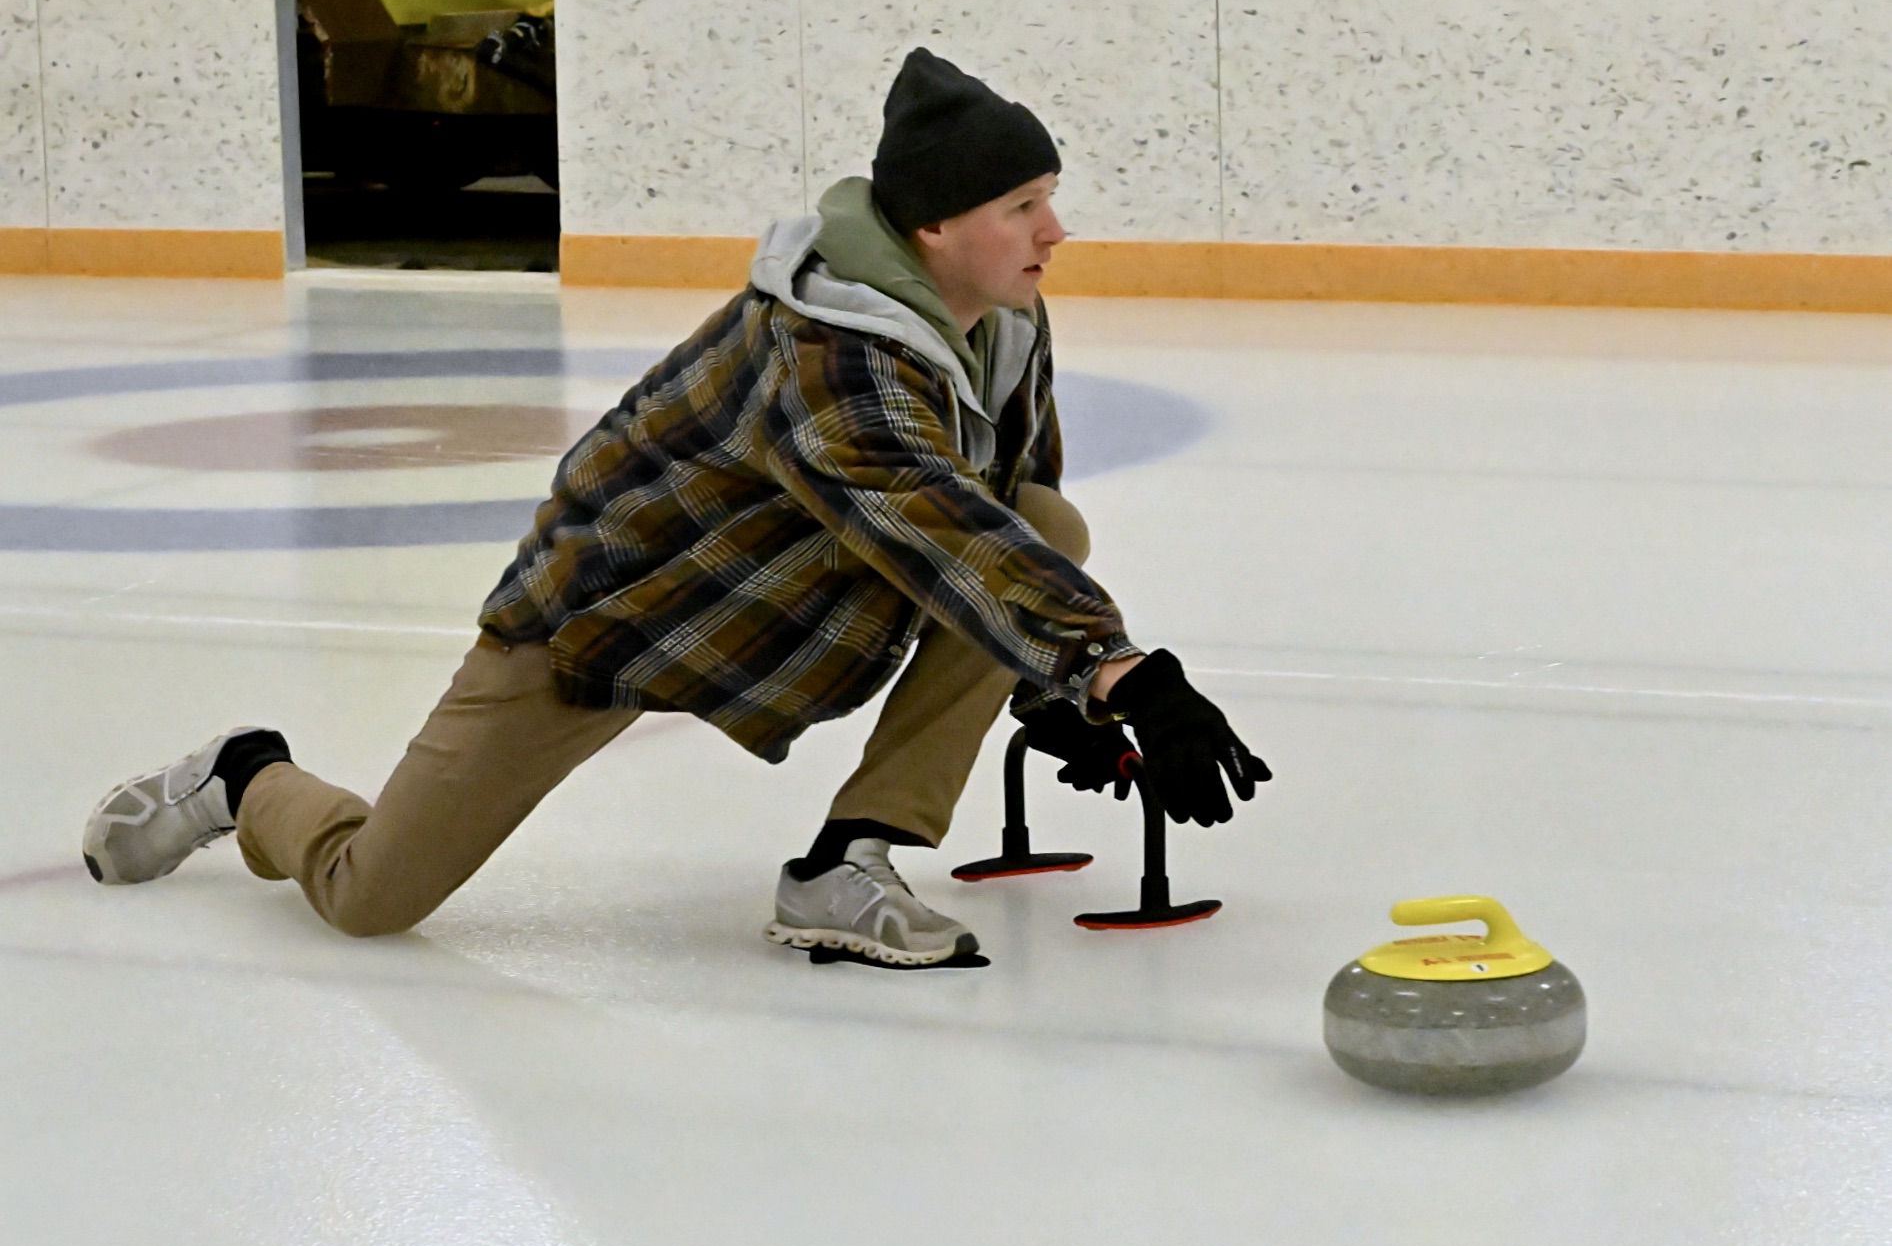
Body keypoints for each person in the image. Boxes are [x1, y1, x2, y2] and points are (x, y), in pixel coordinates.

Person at [80, 49, 1269, 969]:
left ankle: (848, 860)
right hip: (604, 619)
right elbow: (925, 514)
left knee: (1043, 525)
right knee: (371, 896)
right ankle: (243, 777)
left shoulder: (1002, 314)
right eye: (1021, 205)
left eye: (1049, 197)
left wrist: (1052, 681)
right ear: (933, 226)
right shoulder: (826, 350)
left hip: (783, 589)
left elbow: (1007, 503)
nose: (1054, 230)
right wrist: (1114, 668)